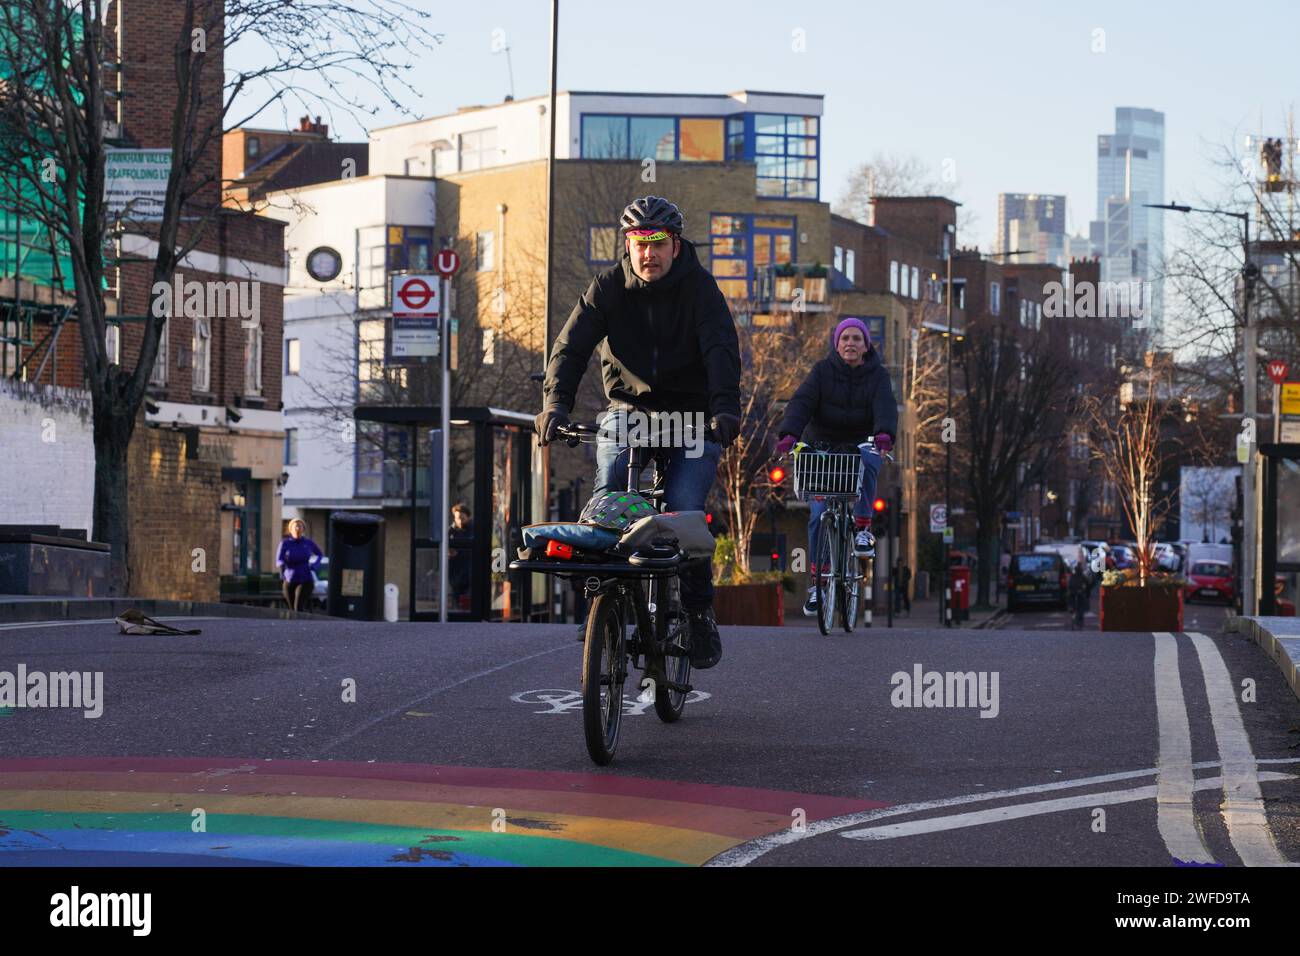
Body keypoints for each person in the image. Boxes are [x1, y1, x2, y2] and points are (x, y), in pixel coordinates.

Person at [535, 196, 741, 669]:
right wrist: (555, 404)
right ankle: (603, 607)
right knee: (608, 502)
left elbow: (720, 351)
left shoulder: (701, 289)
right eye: (638, 243)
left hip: (693, 416)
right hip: (629, 410)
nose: (647, 253)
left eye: (656, 243)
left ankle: (696, 611)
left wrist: (725, 409)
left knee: (684, 513)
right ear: (626, 245)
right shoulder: (607, 287)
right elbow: (570, 349)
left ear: (674, 244)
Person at [772, 317, 898, 616]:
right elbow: (801, 402)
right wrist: (789, 434)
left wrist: (883, 435)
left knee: (869, 459)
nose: (851, 343)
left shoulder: (878, 375)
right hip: (822, 448)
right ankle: (818, 585)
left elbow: (885, 405)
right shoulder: (821, 372)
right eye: (845, 339)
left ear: (866, 346)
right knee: (817, 517)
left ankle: (863, 529)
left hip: (859, 443)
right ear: (837, 344)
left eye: (857, 339)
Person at [276, 518, 322, 612]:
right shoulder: (285, 543)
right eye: (295, 526)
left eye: (300, 526)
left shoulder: (308, 543)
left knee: (298, 607)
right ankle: (293, 626)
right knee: (291, 609)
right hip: (290, 578)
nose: (298, 528)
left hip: (305, 579)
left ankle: (301, 625)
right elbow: (279, 559)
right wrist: (282, 567)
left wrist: (315, 566)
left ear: (303, 529)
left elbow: (320, 554)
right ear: (291, 529)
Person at [448, 503, 474, 610]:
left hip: (470, 567)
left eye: (462, 518)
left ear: (468, 517)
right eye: (457, 518)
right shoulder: (450, 531)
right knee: (456, 595)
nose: (460, 521)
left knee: (469, 596)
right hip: (455, 569)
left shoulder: (473, 529)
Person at [1068, 564, 1088, 629]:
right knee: (1081, 606)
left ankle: (1071, 609)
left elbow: (1069, 584)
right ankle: (1079, 620)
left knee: (1072, 602)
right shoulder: (1082, 576)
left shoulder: (1072, 576)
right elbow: (1087, 583)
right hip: (1080, 593)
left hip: (1072, 593)